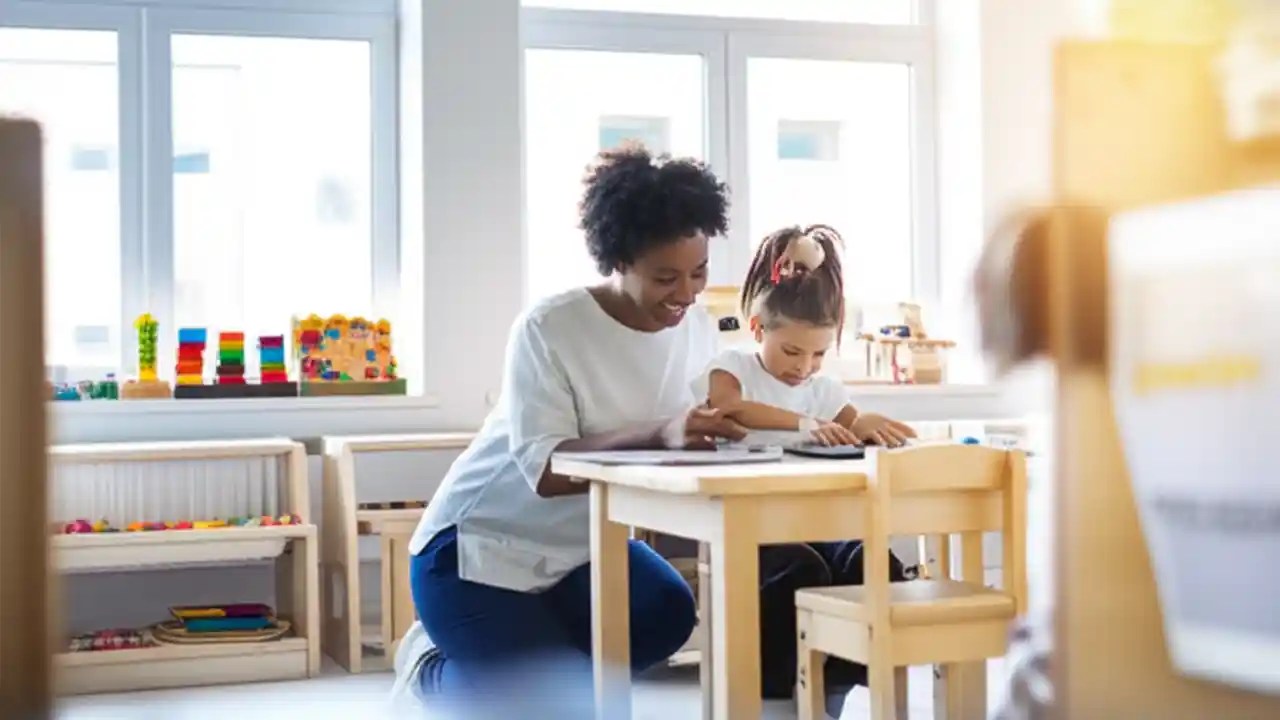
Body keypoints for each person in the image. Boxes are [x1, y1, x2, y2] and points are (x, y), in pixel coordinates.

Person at [391, 145, 746, 716]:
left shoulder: (697, 330)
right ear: (620, 260)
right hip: (477, 551)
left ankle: (543, 673)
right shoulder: (550, 326)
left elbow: (706, 422)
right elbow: (546, 470)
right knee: (560, 705)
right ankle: (435, 669)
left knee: (667, 613)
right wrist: (660, 433)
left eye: (698, 273)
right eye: (665, 277)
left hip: (584, 551)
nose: (685, 294)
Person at [690, 224, 916, 714]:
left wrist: (869, 425)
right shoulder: (733, 368)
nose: (804, 367)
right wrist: (805, 423)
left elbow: (852, 425)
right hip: (749, 528)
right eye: (792, 351)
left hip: (818, 525)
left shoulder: (825, 391)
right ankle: (775, 698)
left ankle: (835, 682)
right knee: (801, 569)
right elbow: (730, 411)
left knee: (874, 562)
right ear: (757, 329)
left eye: (818, 353)